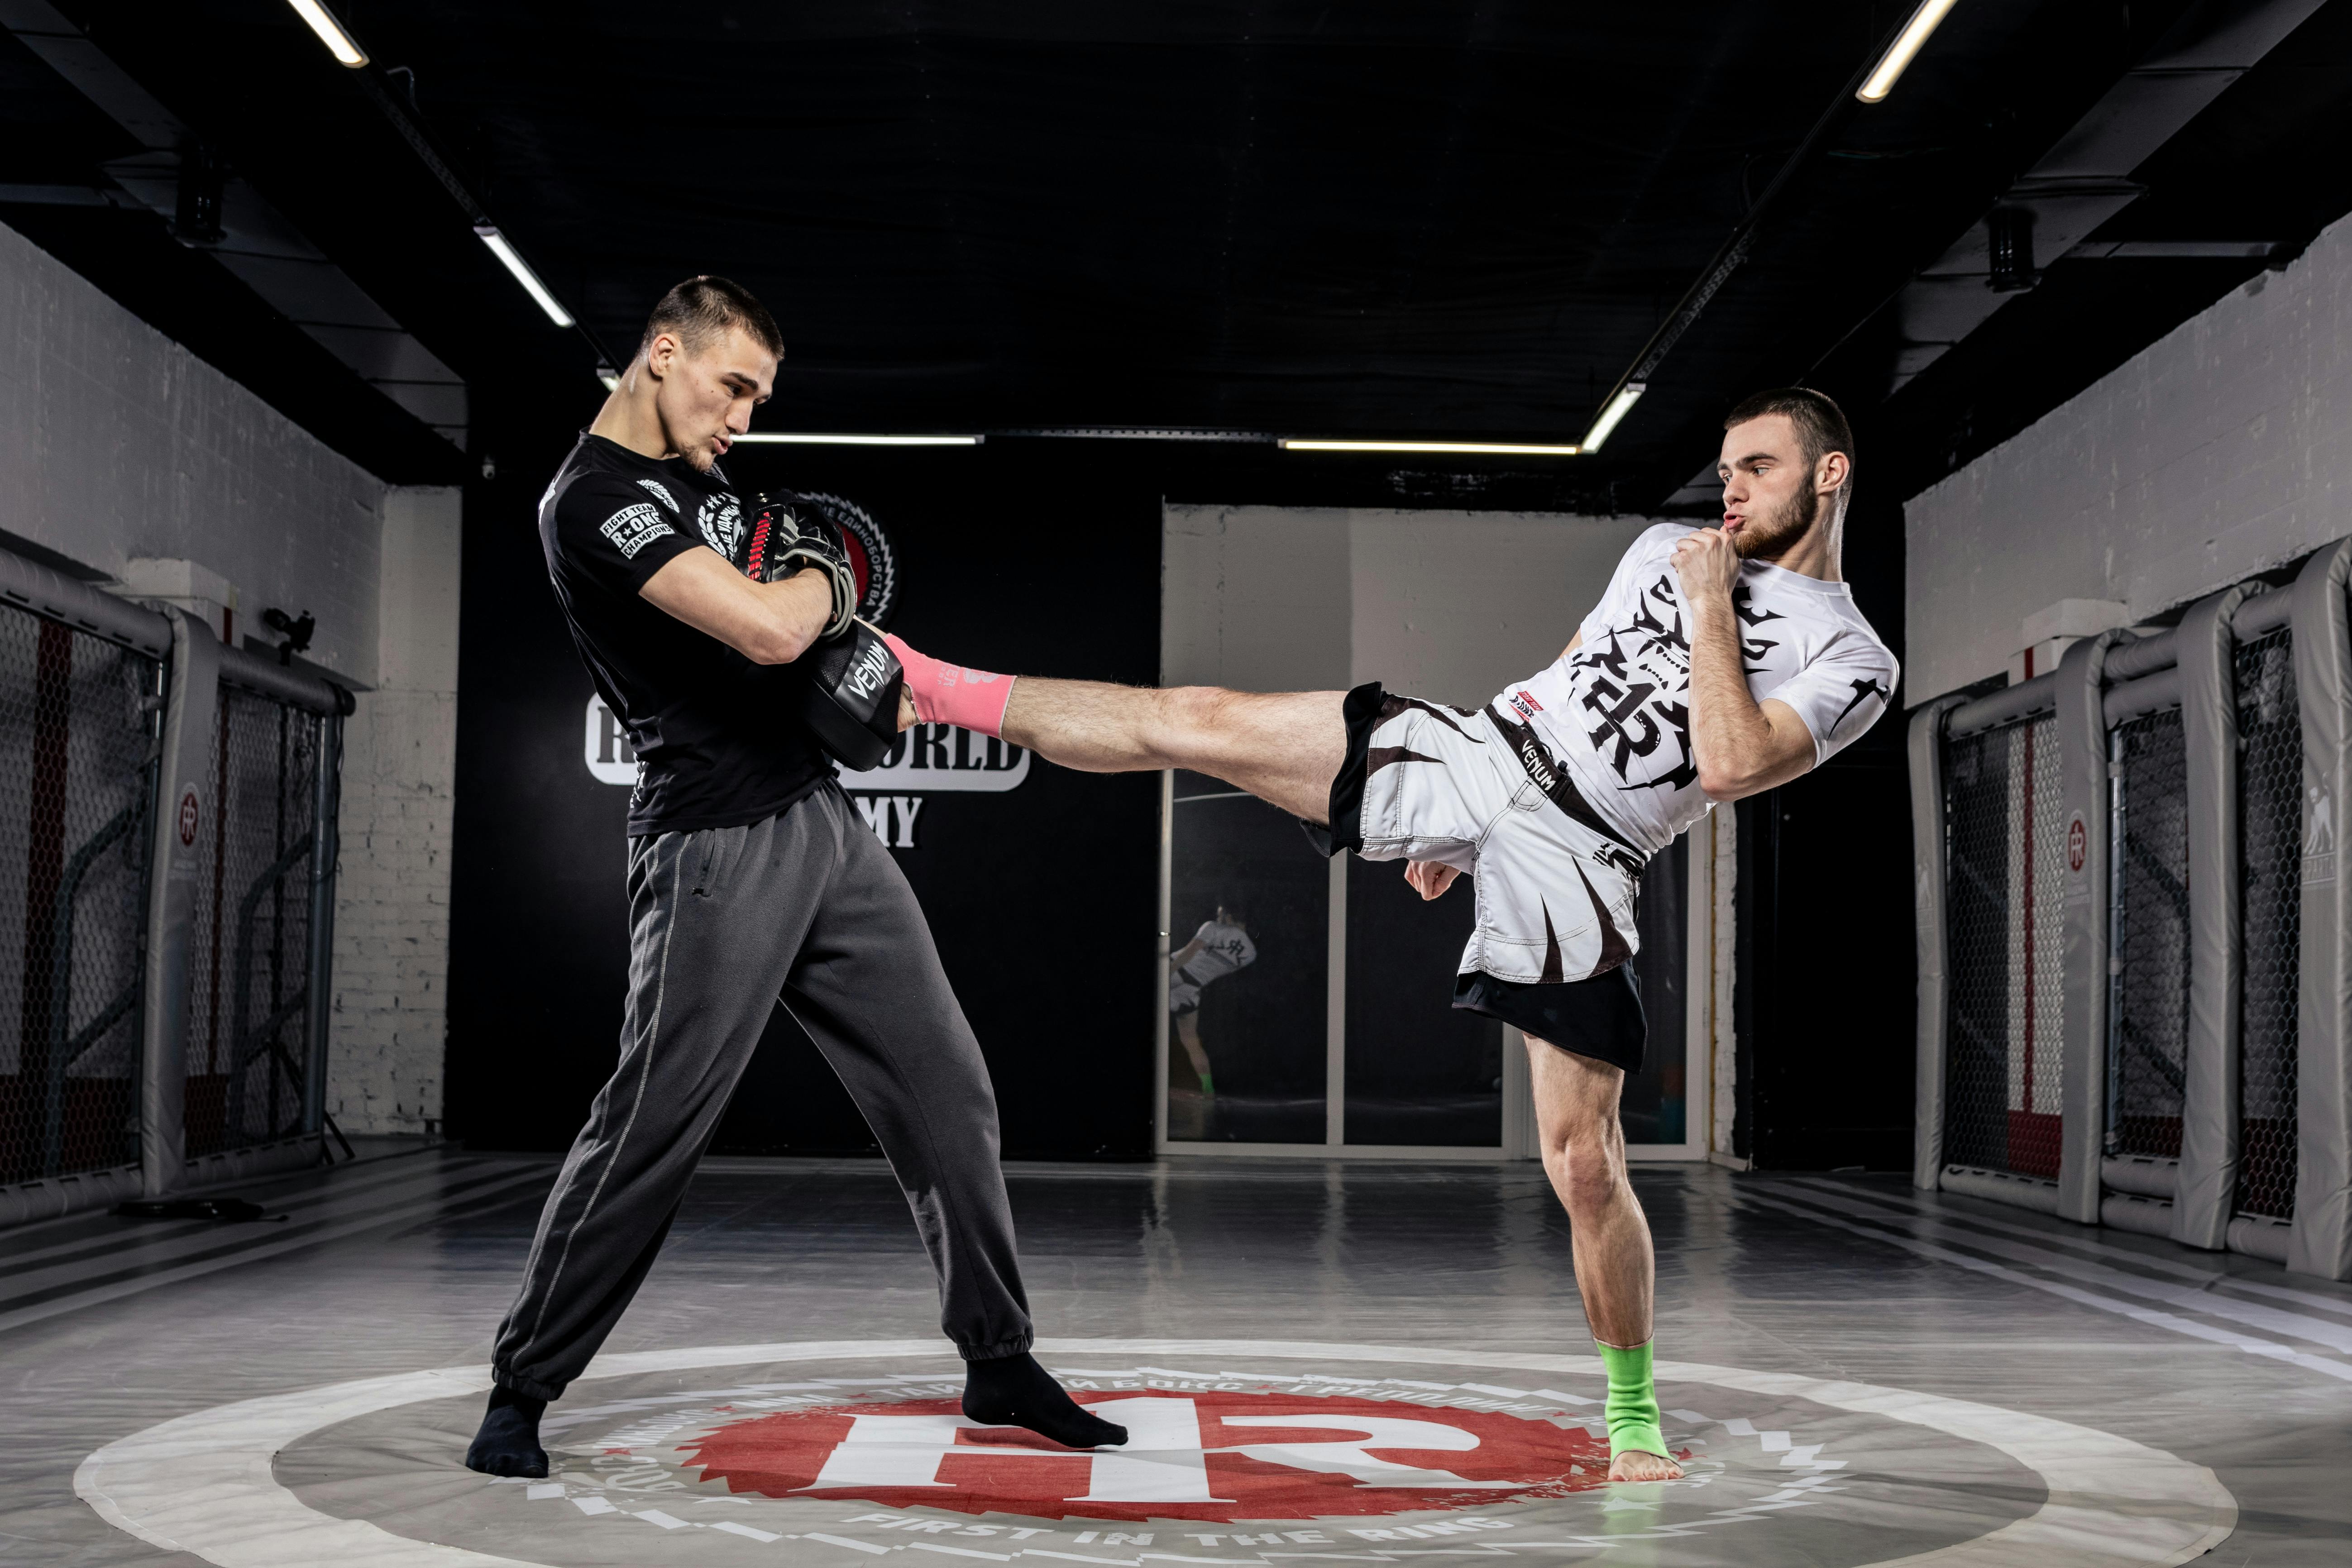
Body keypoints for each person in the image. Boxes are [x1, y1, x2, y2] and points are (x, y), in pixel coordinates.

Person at [884, 388, 1896, 1483]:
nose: (1730, 489)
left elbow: (1735, 761)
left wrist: (1708, 607)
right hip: (1487, 751)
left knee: (1584, 1162)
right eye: (1725, 467)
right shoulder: (1664, 544)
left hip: (1589, 850)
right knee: (1202, 716)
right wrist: (1466, 824)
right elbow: (1565, 668)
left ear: (1828, 475)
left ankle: (1634, 1411)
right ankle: (925, 683)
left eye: (1756, 467)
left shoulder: (1851, 657)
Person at [465, 277, 1124, 1479]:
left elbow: (784, 648)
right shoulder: (594, 500)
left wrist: (830, 635)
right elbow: (771, 630)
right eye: (735, 387)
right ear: (664, 353)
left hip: (821, 822)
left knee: (947, 1087)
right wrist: (838, 580)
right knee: (652, 1126)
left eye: (760, 399)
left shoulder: (708, 485)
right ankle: (522, 1389)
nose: (744, 418)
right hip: (714, 843)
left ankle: (997, 1356)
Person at [1169, 905, 1256, 1095]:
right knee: (1191, 1041)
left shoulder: (1214, 928)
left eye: (1220, 916)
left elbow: (1191, 951)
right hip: (1192, 991)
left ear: (1229, 917)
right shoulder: (1251, 953)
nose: (1218, 919)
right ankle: (1208, 1090)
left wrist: (1167, 972)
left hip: (1175, 974)